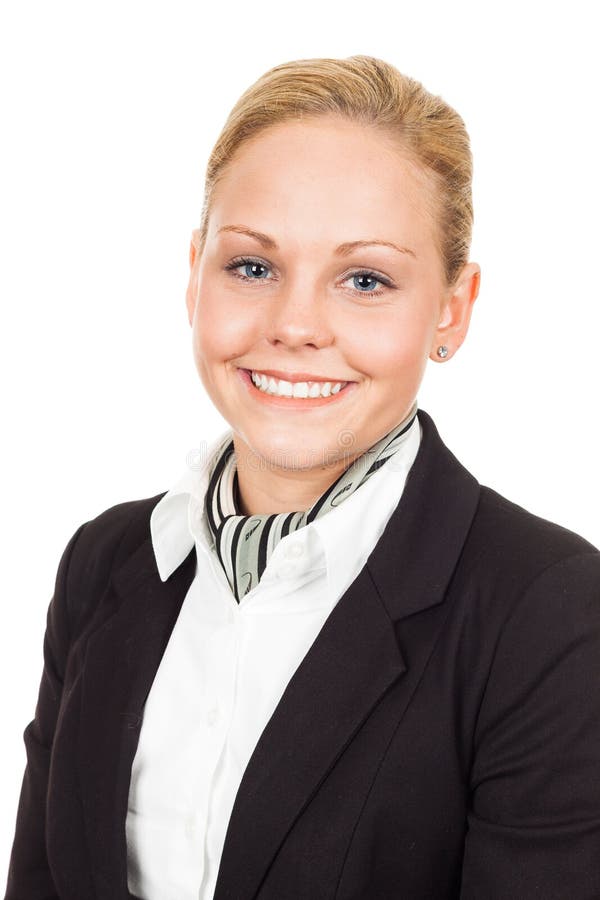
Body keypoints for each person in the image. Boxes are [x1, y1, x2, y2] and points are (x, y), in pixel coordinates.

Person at [4, 54, 600, 900]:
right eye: (252, 266)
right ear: (194, 273)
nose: (293, 324)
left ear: (451, 311)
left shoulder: (549, 614)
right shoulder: (103, 564)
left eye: (365, 280)